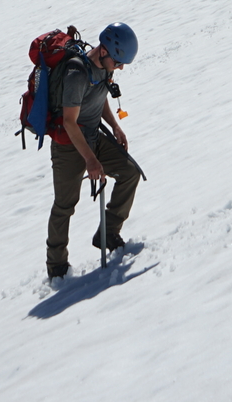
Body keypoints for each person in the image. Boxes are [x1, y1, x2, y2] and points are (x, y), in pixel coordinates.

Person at [46, 22, 141, 280]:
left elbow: (100, 98)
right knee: (65, 205)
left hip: (92, 136)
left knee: (130, 173)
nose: (120, 67)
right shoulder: (77, 73)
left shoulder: (104, 67)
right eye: (118, 62)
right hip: (69, 146)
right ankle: (57, 267)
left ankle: (107, 233)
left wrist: (115, 127)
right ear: (104, 51)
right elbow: (68, 121)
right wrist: (90, 159)